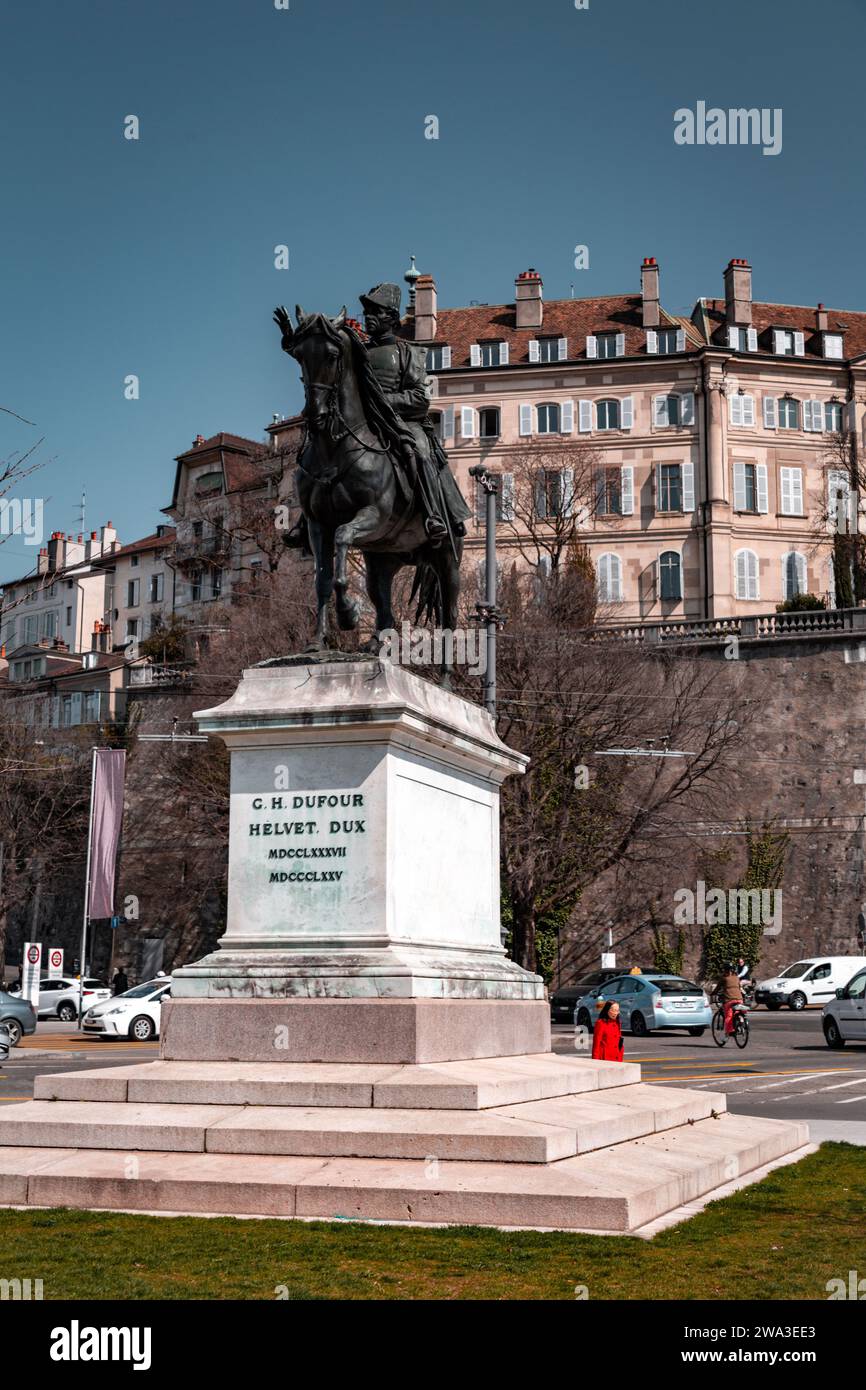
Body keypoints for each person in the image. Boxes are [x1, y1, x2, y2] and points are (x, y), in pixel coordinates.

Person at [359, 282, 471, 547]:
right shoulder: (357, 352)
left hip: (402, 422)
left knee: (421, 452)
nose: (369, 318)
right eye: (367, 312)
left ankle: (433, 515)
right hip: (363, 423)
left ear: (391, 318)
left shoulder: (407, 352)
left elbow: (420, 399)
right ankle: (308, 520)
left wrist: (383, 401)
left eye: (376, 312)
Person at [719, 962, 744, 1035]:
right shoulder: (737, 977)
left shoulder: (724, 978)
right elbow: (740, 987)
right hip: (740, 999)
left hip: (729, 1000)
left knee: (729, 1015)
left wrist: (712, 994)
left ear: (725, 970)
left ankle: (730, 1031)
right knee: (738, 1011)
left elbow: (717, 988)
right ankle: (741, 1022)